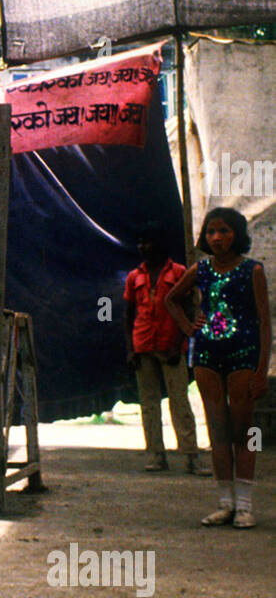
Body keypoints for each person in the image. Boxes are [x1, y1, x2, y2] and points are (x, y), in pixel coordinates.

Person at [165, 208, 270, 528]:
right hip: (206, 355)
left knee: (245, 430)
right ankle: (225, 504)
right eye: (211, 232)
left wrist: (262, 369)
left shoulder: (253, 271)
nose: (217, 237)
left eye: (224, 231)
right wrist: (187, 326)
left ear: (237, 234)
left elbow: (265, 323)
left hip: (244, 354)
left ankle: (245, 505)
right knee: (218, 431)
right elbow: (171, 299)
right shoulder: (200, 270)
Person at [123, 222, 205, 473]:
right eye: (139, 242)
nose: (142, 247)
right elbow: (127, 316)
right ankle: (157, 456)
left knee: (179, 402)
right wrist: (130, 350)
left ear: (160, 244)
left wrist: (181, 343)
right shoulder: (134, 276)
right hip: (143, 346)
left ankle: (191, 456)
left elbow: (190, 310)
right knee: (148, 404)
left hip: (172, 347)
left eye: (147, 242)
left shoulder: (180, 272)